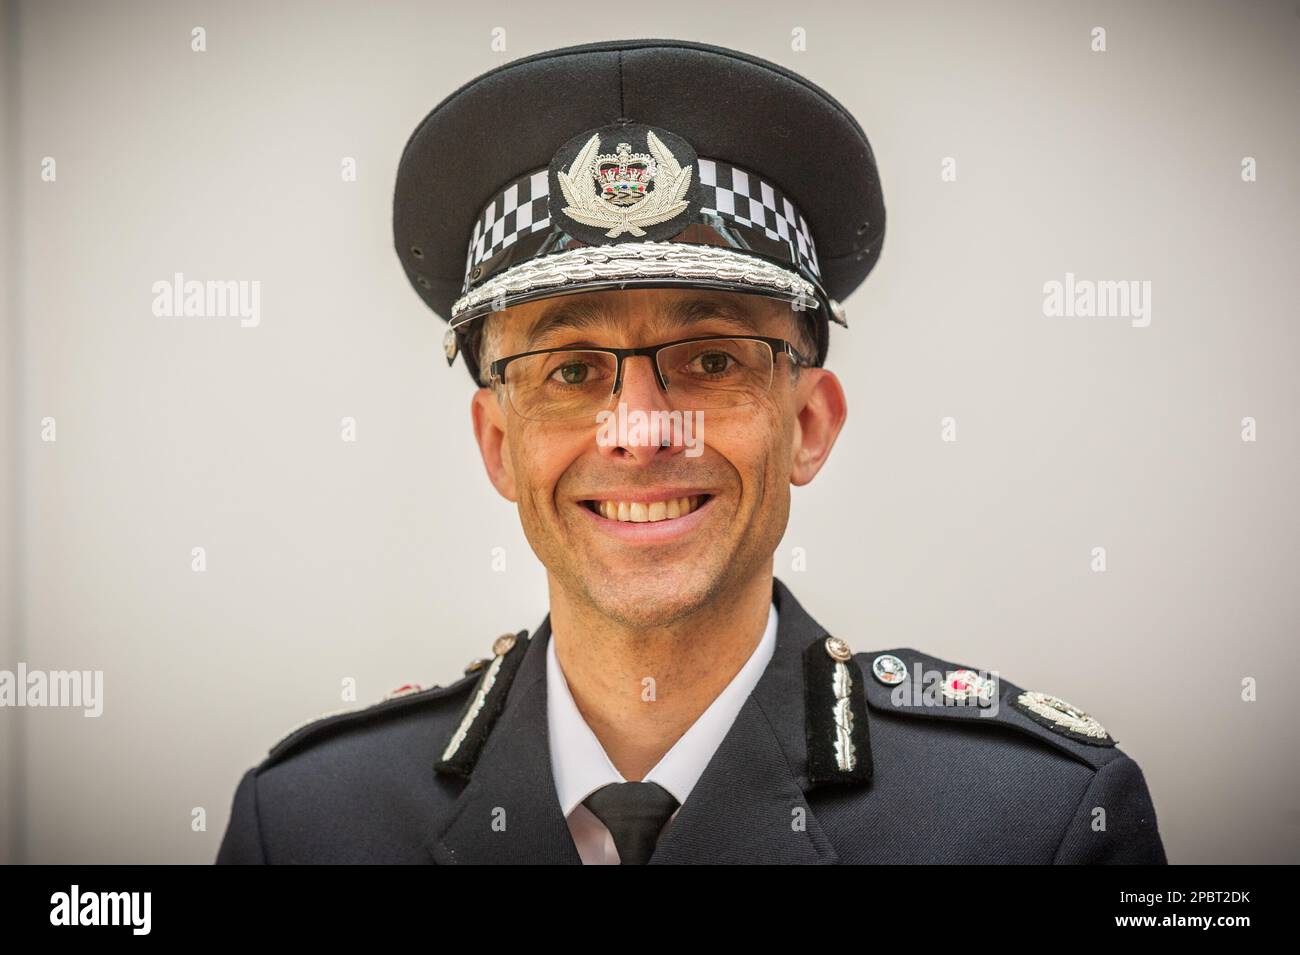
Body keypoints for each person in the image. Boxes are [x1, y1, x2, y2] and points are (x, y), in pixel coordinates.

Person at [215, 37, 1167, 864]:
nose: (640, 430)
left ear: (808, 423)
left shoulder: (1031, 823)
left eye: (712, 358)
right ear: (497, 442)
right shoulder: (308, 822)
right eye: (572, 369)